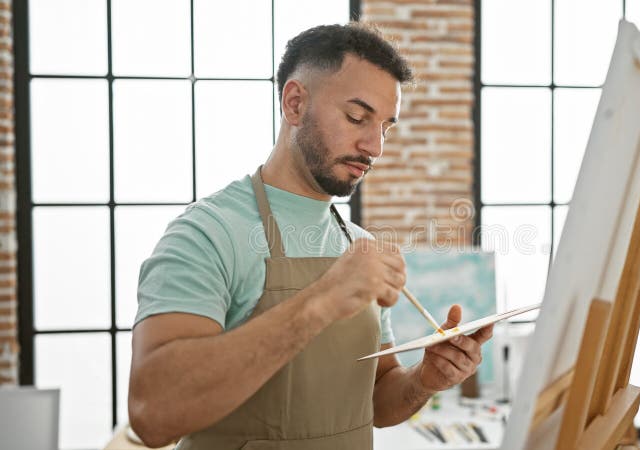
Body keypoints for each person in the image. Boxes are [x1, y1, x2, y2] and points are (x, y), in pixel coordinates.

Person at [128, 23, 494, 449]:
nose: (375, 146)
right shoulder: (207, 234)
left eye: (386, 127)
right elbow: (153, 414)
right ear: (295, 103)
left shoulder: (357, 246)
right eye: (357, 117)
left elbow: (376, 399)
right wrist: (324, 298)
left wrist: (425, 379)